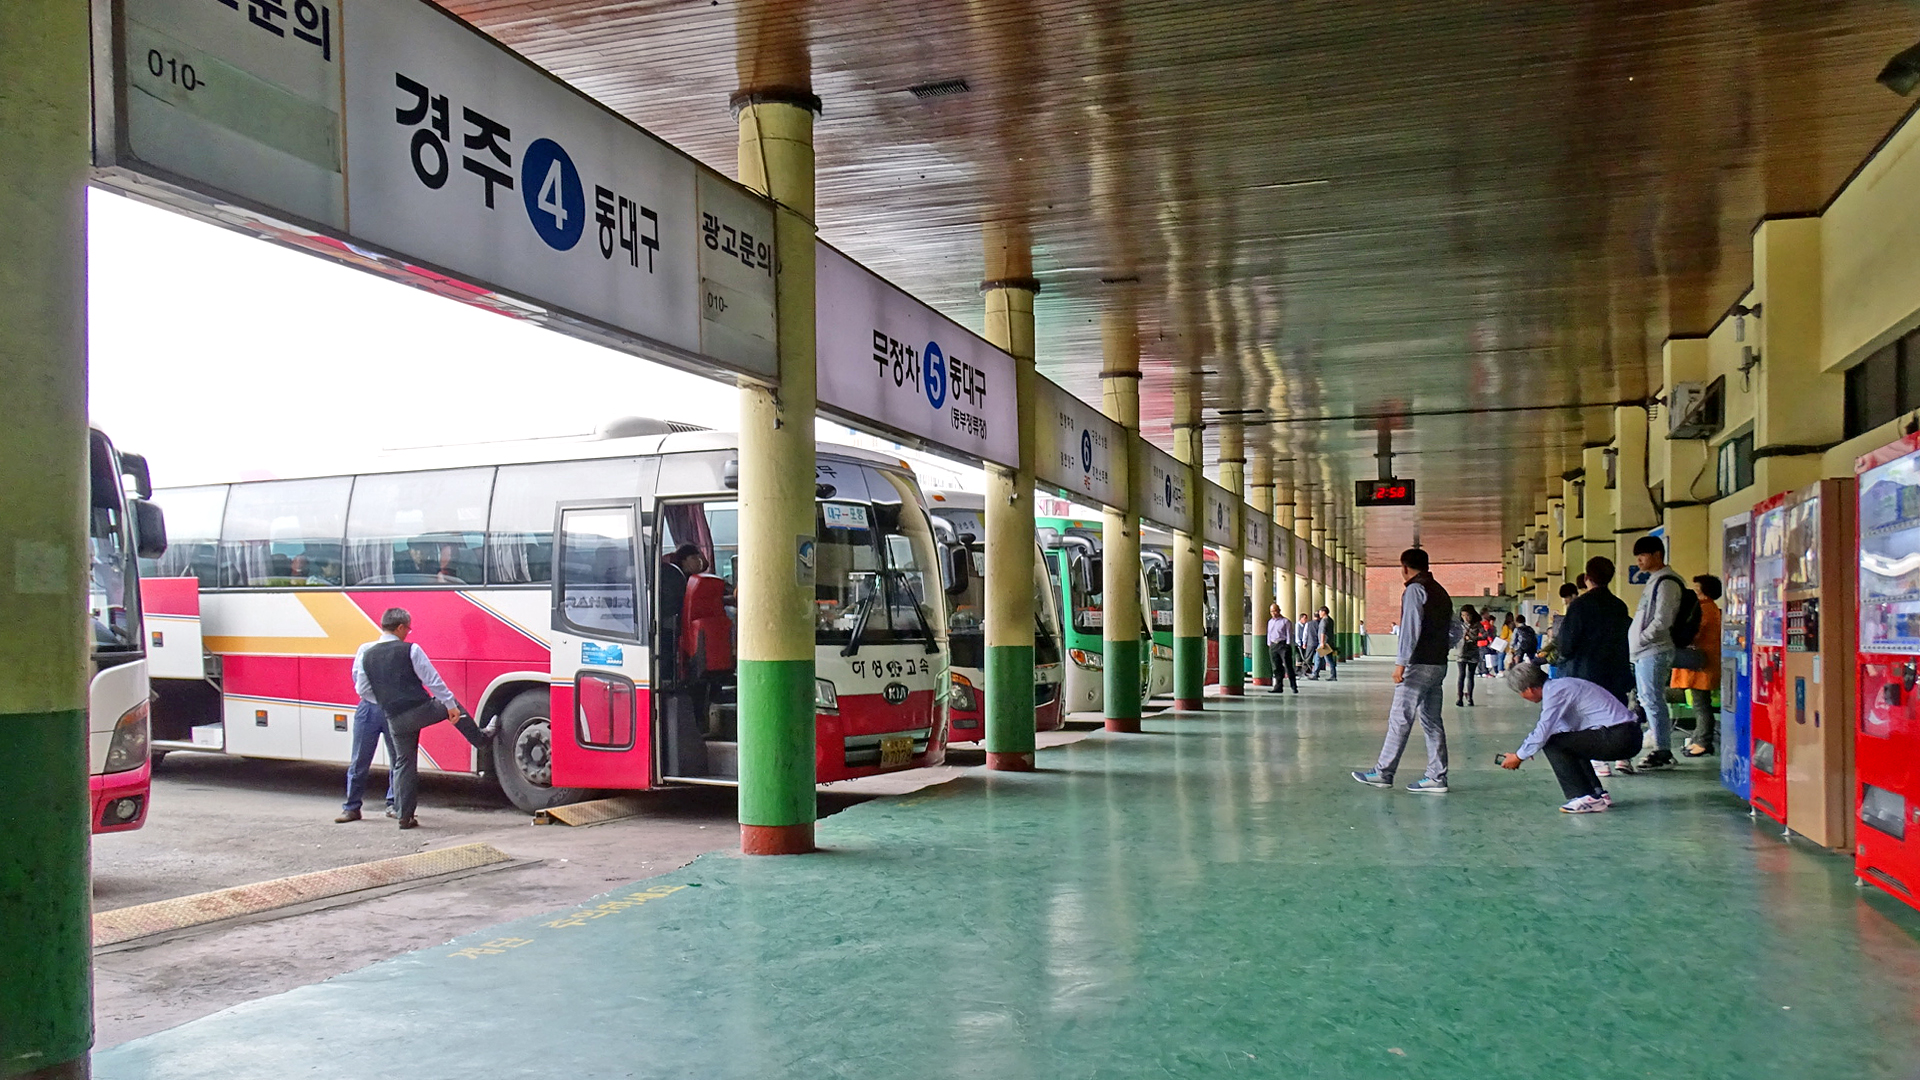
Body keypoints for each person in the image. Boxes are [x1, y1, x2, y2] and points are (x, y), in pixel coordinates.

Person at [359, 607, 493, 829]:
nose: (408, 633)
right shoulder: (410, 650)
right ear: (400, 627)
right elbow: (433, 680)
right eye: (408, 629)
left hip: (395, 718)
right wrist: (450, 705)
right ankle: (481, 739)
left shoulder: (367, 654)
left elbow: (363, 690)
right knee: (451, 703)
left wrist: (387, 701)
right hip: (420, 710)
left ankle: (404, 816)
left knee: (403, 764)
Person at [1352, 548, 1453, 794]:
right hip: (1438, 665)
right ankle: (1437, 777)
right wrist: (1439, 647)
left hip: (1418, 666)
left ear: (1405, 568)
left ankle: (1383, 772)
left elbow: (1409, 629)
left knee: (1400, 718)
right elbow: (1456, 629)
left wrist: (1401, 664)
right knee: (1432, 721)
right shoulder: (1440, 591)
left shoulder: (1415, 590)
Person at [1494, 662, 1644, 813]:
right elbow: (1560, 730)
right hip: (1627, 735)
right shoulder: (1562, 685)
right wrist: (1531, 749)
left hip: (1619, 737)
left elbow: (1544, 730)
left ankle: (1583, 795)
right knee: (1568, 743)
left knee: (1552, 743)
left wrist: (1519, 756)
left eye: (1520, 693)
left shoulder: (1555, 692)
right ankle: (1597, 792)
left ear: (1529, 689)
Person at [1553, 556, 1637, 776]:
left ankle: (1600, 762)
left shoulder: (1579, 606)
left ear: (1587, 578)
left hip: (1586, 672)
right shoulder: (1619, 606)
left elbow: (1566, 644)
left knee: (1590, 716)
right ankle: (1623, 758)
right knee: (1617, 713)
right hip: (1616, 670)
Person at [1628, 536, 1687, 770]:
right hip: (1645, 651)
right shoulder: (1655, 580)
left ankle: (1663, 751)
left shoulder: (1667, 583)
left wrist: (1642, 639)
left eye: (1642, 555)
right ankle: (1659, 745)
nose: (1639, 561)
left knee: (1653, 700)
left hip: (1654, 649)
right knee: (1648, 699)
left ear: (1657, 555)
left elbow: (1663, 619)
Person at [335, 646, 396, 823]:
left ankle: (354, 807)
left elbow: (358, 679)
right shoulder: (371, 649)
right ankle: (356, 806)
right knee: (388, 760)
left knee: (365, 760)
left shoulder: (369, 649)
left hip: (372, 705)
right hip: (380, 707)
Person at [1675, 574, 1724, 757]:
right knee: (1701, 703)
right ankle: (1698, 738)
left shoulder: (1702, 609)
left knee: (1701, 704)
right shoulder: (1713, 609)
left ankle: (1702, 742)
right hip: (1707, 661)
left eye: (1697, 587)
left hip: (1700, 663)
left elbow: (1692, 633)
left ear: (1704, 590)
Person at [1265, 603, 1299, 693]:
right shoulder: (1270, 622)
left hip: (1283, 645)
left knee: (1288, 666)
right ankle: (1278, 686)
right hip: (1273, 645)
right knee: (1276, 667)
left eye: (1275, 611)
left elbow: (1289, 634)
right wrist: (1269, 643)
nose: (1273, 613)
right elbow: (1269, 633)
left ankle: (1293, 686)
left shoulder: (1285, 621)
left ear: (1279, 611)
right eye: (1271, 611)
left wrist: (1287, 645)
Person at [1454, 604, 1481, 707]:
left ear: (1472, 615)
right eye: (1463, 615)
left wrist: (1474, 638)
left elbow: (1486, 635)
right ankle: (1459, 698)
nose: (1465, 618)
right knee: (1461, 675)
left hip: (1473, 653)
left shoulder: (1477, 625)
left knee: (1470, 676)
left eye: (1467, 615)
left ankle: (1470, 697)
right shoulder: (1459, 625)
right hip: (1461, 652)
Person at [1311, 606, 1339, 681]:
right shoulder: (1330, 620)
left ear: (1324, 612)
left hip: (1324, 643)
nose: (1319, 613)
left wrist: (1322, 643)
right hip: (1328, 642)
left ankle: (1317, 674)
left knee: (1326, 659)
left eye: (1320, 612)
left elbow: (1323, 632)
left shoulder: (1324, 621)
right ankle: (1317, 674)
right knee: (1322, 658)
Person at [1298, 611, 1322, 680]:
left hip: (1310, 643)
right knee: (1318, 659)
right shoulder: (1321, 623)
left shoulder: (1308, 624)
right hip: (1319, 643)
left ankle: (1305, 671)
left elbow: (1305, 634)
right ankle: (1316, 673)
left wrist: (1304, 643)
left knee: (1308, 658)